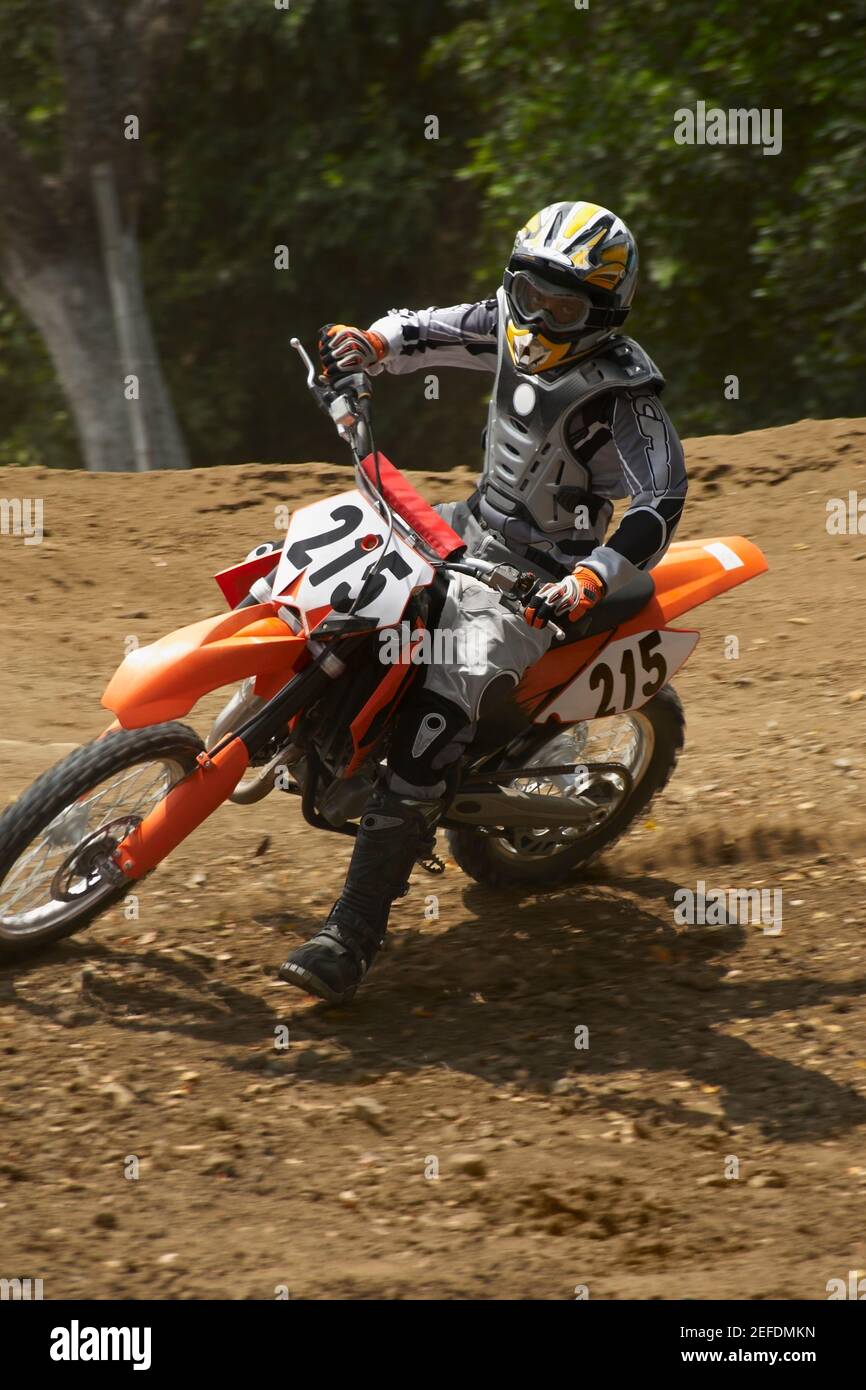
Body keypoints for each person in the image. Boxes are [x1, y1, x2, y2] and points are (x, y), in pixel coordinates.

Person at [279, 200, 687, 1004]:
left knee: (442, 695)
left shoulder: (624, 399)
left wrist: (591, 578)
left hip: (544, 581)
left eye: (560, 306)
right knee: (334, 587)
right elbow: (422, 331)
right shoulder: (507, 319)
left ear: (602, 313)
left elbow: (658, 501)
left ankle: (353, 934)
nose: (535, 316)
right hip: (469, 527)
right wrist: (368, 345)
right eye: (528, 292)